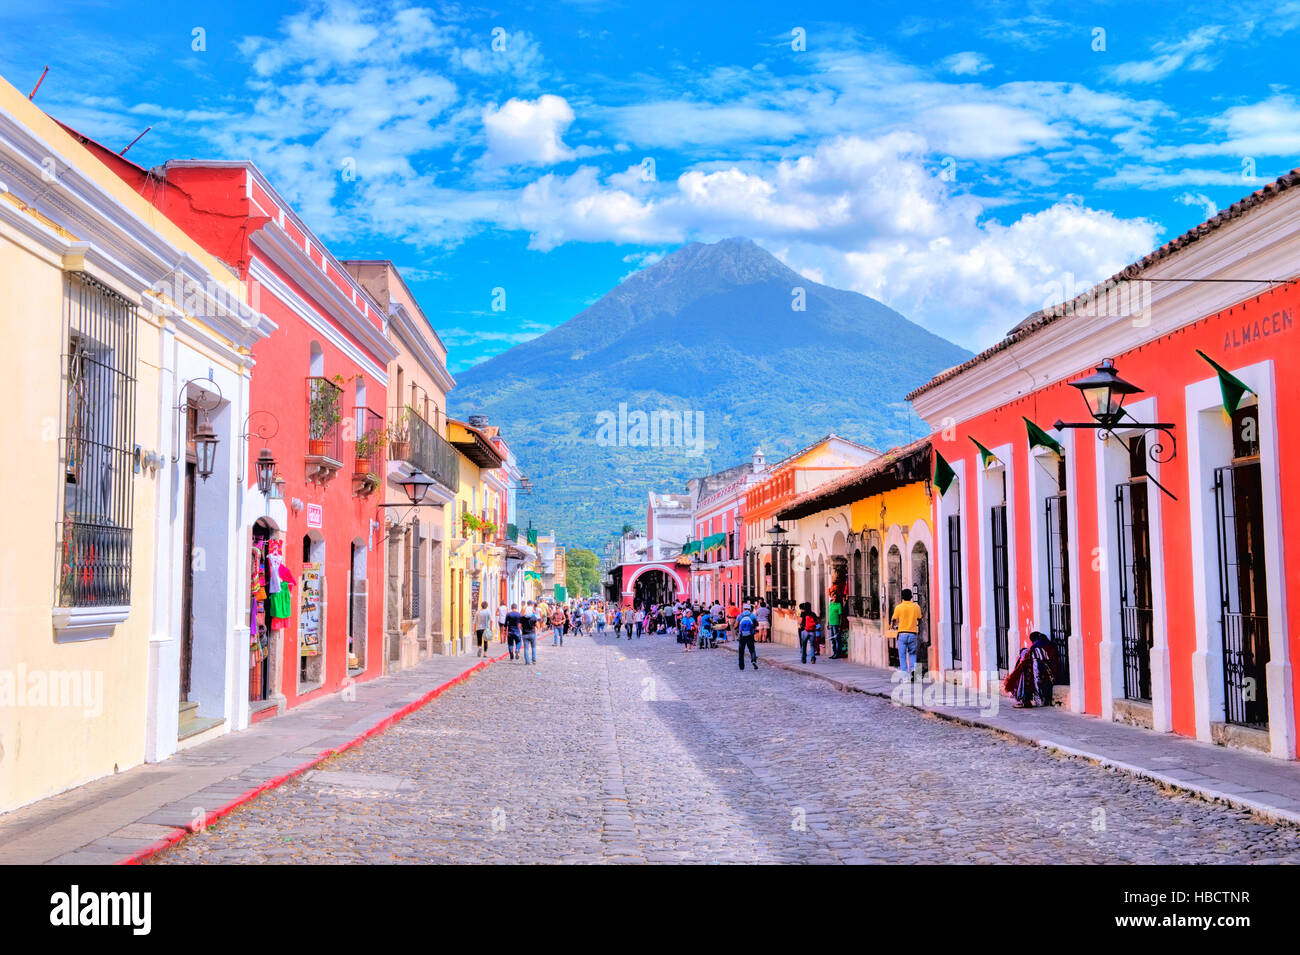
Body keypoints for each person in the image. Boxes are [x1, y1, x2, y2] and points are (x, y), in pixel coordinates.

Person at [1005, 631, 1056, 708]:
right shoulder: (1047, 644)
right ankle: (1042, 700)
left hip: (1038, 669)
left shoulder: (1034, 648)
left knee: (1033, 683)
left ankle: (1033, 700)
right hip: (1049, 669)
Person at [891, 588, 923, 677]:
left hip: (902, 634)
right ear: (911, 597)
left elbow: (893, 619)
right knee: (913, 654)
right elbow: (919, 619)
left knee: (902, 656)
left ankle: (905, 677)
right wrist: (916, 627)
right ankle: (913, 670)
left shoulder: (899, 607)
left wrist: (893, 626)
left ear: (902, 597)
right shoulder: (916, 607)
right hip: (912, 633)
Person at [736, 603, 759, 671]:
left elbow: (735, 625)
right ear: (750, 609)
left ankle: (741, 666)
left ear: (743, 609)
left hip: (742, 635)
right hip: (750, 635)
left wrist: (737, 628)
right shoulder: (752, 616)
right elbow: (756, 624)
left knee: (741, 650)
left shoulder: (740, 616)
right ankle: (753, 660)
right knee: (752, 649)